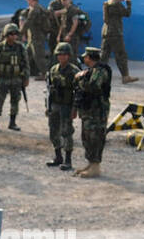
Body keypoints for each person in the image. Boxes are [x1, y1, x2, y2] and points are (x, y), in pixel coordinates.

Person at [73, 47, 112, 178]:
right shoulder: (91, 70)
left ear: (90, 58)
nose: (84, 59)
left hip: (97, 111)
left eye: (86, 57)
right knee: (87, 136)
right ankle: (91, 163)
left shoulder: (100, 71)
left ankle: (95, 166)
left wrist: (80, 79)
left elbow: (94, 87)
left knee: (95, 137)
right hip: (89, 109)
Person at [45, 42, 79, 171]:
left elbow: (78, 92)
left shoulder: (74, 71)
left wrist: (75, 109)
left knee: (66, 132)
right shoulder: (53, 70)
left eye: (64, 54)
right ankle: (58, 156)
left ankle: (68, 160)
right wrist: (47, 106)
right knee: (53, 131)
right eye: (59, 54)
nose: (62, 57)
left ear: (69, 56)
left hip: (67, 105)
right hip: (55, 105)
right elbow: (48, 90)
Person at [0, 24, 28, 131]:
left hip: (16, 79)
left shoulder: (20, 47)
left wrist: (26, 78)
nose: (13, 36)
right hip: (3, 79)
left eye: (15, 34)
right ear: (6, 35)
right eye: (11, 34)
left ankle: (12, 122)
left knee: (15, 101)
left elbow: (25, 63)